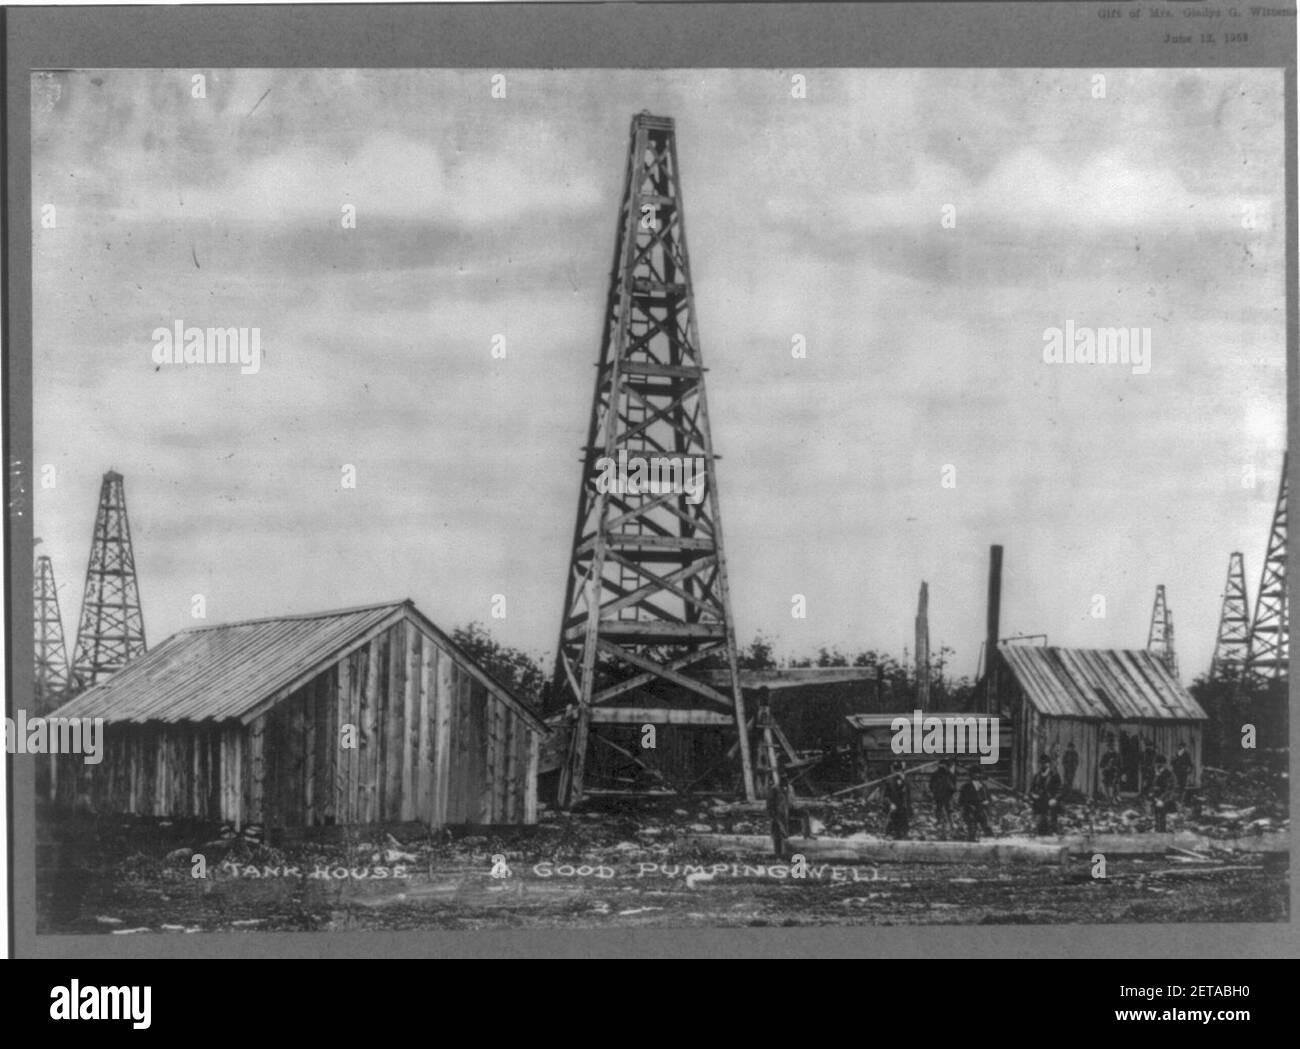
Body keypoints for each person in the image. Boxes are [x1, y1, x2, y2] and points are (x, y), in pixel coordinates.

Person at [1029, 754, 1062, 835]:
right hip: (1039, 803)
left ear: (1049, 764)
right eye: (1041, 763)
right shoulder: (1037, 776)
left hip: (1050, 801)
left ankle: (1054, 831)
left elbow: (1060, 790)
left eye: (1045, 763)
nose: (1043, 765)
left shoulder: (1054, 775)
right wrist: (1033, 795)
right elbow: (1030, 790)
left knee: (1051, 824)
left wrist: (1055, 799)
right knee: (1039, 825)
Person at [958, 765, 993, 842]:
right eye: (975, 773)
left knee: (986, 825)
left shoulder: (983, 786)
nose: (977, 775)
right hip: (971, 809)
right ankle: (971, 839)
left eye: (978, 773)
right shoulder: (966, 786)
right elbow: (961, 800)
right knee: (972, 826)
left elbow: (988, 797)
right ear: (971, 775)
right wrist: (968, 806)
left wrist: (987, 802)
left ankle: (989, 840)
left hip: (981, 809)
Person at [766, 773, 794, 860]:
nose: (785, 782)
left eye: (786, 780)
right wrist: (773, 816)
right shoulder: (774, 789)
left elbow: (791, 801)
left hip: (786, 815)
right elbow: (770, 803)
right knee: (777, 836)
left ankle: (785, 854)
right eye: (783, 779)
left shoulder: (790, 788)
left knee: (785, 835)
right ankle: (778, 855)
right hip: (777, 816)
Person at [883, 762, 911, 839]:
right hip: (893, 809)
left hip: (902, 809)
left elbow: (907, 795)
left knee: (904, 830)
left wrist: (904, 780)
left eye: (900, 771)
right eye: (896, 771)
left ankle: (903, 836)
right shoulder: (889, 781)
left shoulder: (905, 780)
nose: (898, 773)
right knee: (892, 828)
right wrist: (890, 804)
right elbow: (885, 796)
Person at [930, 759, 956, 837]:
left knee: (947, 814)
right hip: (942, 797)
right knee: (944, 814)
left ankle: (948, 831)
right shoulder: (947, 774)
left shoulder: (948, 775)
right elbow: (931, 786)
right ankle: (944, 832)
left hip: (945, 797)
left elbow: (953, 787)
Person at [1152, 753, 1177, 832]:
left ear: (1164, 764)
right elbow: (1153, 785)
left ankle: (1162, 831)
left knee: (1163, 816)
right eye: (1156, 765)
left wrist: (1161, 799)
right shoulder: (1156, 773)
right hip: (1156, 799)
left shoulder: (1169, 774)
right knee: (1156, 816)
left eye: (1160, 765)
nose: (1157, 767)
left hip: (1165, 799)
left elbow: (1169, 789)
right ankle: (1157, 830)